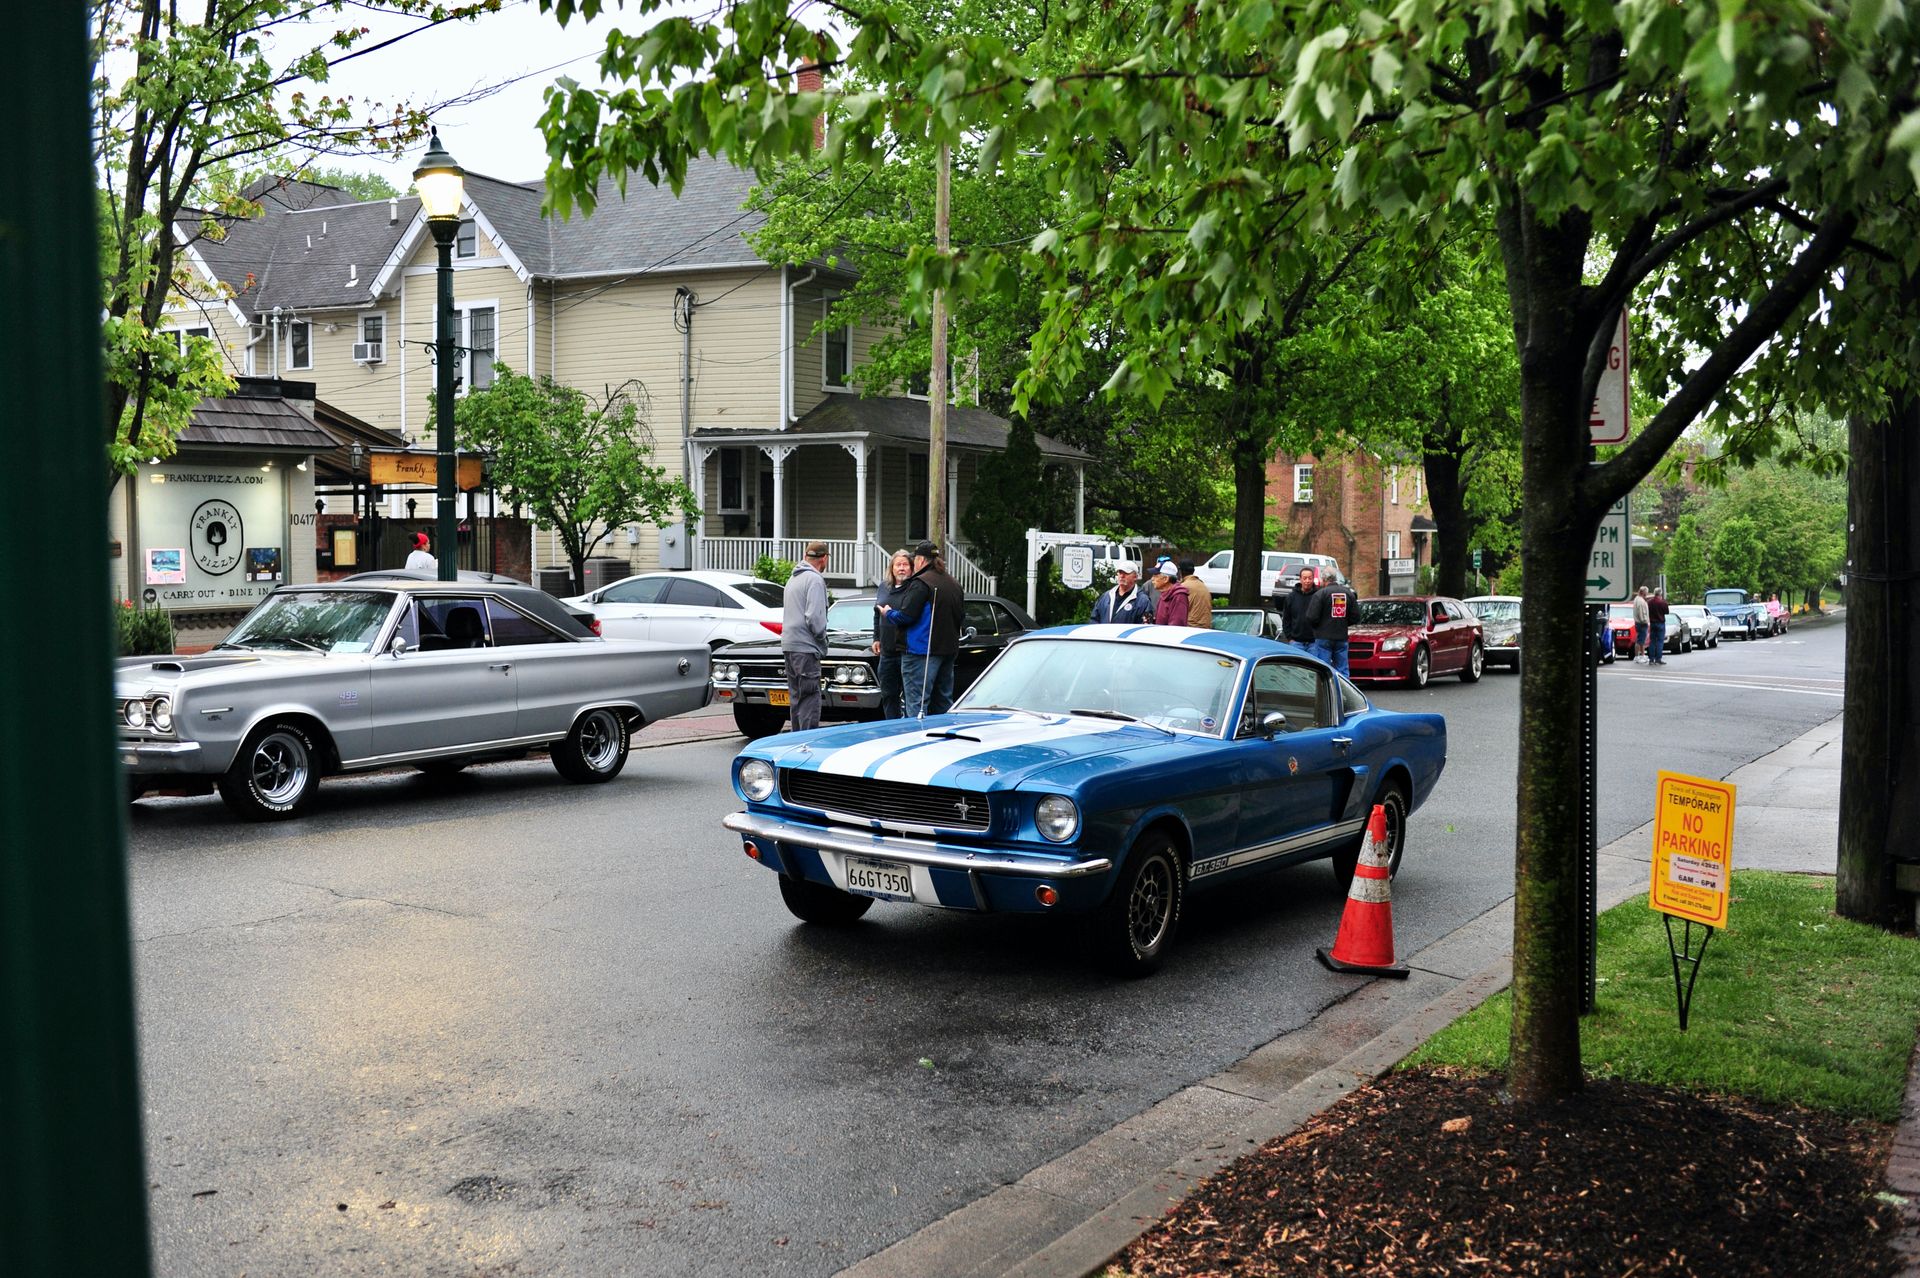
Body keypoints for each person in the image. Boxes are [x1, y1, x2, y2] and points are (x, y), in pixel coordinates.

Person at [885, 540, 965, 717]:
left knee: (917, 703)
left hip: (920, 652)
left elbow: (906, 616)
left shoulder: (921, 583)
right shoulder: (953, 583)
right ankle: (942, 740)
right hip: (948, 650)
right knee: (943, 701)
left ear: (920, 560)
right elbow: (961, 617)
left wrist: (888, 613)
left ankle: (916, 738)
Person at [782, 540, 831, 731]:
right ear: (824, 558)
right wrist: (823, 642)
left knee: (796, 699)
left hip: (789, 645)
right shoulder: (815, 580)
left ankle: (796, 742)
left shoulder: (793, 579)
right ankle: (807, 744)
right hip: (806, 648)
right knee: (810, 698)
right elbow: (815, 618)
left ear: (806, 557)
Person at [872, 548, 913, 718]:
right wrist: (876, 638)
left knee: (910, 696)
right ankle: (891, 727)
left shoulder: (914, 588)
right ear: (892, 568)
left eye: (905, 564)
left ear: (911, 568)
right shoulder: (884, 587)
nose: (901, 568)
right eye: (898, 565)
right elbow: (876, 613)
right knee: (889, 694)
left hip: (906, 651)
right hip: (887, 652)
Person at [1306, 572, 1356, 676]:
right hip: (1341, 636)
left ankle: (1326, 691)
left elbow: (1312, 617)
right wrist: (1343, 623)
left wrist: (1318, 627)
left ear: (1324, 580)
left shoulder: (1320, 594)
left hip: (1323, 637)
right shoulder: (1348, 593)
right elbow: (1355, 617)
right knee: (1343, 669)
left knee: (1323, 669)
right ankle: (1343, 690)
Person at [1281, 566, 1318, 647]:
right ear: (1300, 579)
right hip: (1296, 642)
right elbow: (1286, 619)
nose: (1307, 581)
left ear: (1313, 579)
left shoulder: (1318, 597)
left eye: (1310, 578)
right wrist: (1289, 638)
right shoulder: (1291, 597)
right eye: (1305, 578)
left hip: (1314, 643)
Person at [1178, 560, 1213, 629]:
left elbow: (1178, 612)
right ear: (1193, 571)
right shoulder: (1203, 585)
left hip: (1191, 628)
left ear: (1180, 571)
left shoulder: (1183, 587)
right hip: (1206, 627)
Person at [1647, 585, 1670, 666]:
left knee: (1652, 641)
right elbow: (1667, 612)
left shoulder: (1649, 602)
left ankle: (1651, 659)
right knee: (1660, 641)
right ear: (1660, 594)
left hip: (1652, 623)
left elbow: (1647, 611)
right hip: (1660, 623)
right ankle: (1658, 659)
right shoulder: (1663, 602)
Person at [1632, 586, 1651, 664]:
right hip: (1642, 623)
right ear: (1643, 592)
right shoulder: (1641, 601)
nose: (1647, 593)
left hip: (1638, 622)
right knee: (1641, 641)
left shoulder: (1637, 599)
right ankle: (1639, 656)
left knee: (1640, 640)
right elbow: (1642, 613)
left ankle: (1640, 655)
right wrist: (1645, 621)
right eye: (1646, 592)